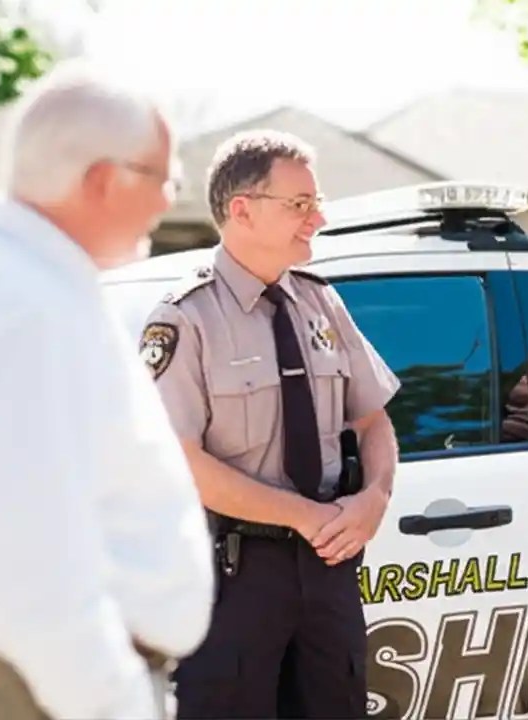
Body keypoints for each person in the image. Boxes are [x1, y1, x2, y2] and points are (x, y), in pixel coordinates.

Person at [0, 61, 214, 720]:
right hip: (32, 690)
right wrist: (118, 704)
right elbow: (37, 570)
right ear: (103, 179)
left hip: (21, 679)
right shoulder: (22, 310)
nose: (171, 197)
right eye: (164, 175)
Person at [141, 129, 401, 719]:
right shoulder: (185, 318)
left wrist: (375, 498)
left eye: (317, 202)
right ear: (242, 210)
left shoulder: (321, 303)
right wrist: (304, 516)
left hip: (330, 566)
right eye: (300, 204)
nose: (317, 217)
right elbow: (181, 463)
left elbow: (373, 419)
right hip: (234, 575)